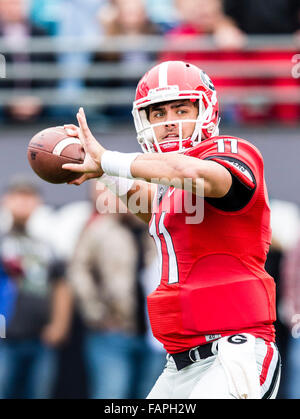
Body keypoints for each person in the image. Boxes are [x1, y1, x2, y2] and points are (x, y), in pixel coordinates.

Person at [62, 60, 281, 399]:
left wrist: (108, 159)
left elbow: (195, 175)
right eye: (158, 114)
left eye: (180, 109)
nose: (168, 123)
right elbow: (156, 209)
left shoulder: (230, 151)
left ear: (205, 109)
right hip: (180, 363)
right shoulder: (169, 185)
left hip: (233, 352)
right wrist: (101, 173)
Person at [0, 178, 73, 398]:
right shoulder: (2, 241)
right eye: (18, 196)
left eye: (29, 197)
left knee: (39, 393)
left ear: (38, 203)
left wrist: (59, 325)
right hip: (5, 339)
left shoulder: (47, 245)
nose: (23, 203)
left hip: (41, 338)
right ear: (6, 201)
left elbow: (62, 285)